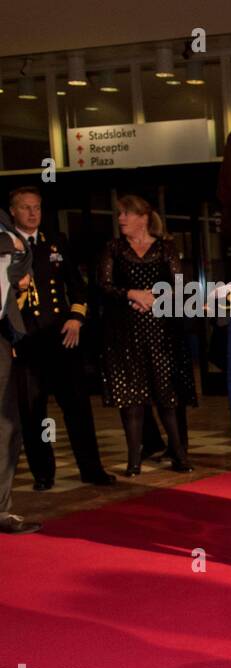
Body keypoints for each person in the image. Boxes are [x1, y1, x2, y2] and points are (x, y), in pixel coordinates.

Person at [8, 186, 113, 488]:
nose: (32, 213)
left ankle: (91, 469)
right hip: (26, 342)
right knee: (34, 412)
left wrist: (77, 317)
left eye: (37, 207)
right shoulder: (6, 248)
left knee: (78, 407)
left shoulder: (54, 242)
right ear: (13, 211)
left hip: (61, 338)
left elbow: (78, 287)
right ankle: (43, 474)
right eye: (26, 207)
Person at [98, 195, 198, 476]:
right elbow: (103, 286)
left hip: (162, 333)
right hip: (124, 334)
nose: (121, 219)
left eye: (126, 214)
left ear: (143, 217)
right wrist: (131, 293)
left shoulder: (165, 248)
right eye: (119, 214)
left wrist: (155, 297)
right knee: (131, 399)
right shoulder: (113, 248)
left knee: (168, 396)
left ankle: (180, 455)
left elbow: (180, 286)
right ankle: (133, 461)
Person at [0, 209, 40, 533]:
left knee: (6, 425)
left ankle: (2, 509)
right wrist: (6, 243)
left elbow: (23, 252)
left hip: (2, 334)